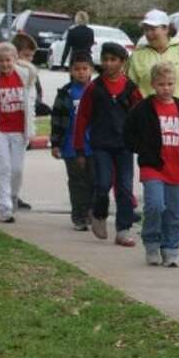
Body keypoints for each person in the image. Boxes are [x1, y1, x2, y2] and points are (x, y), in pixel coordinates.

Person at [124, 61, 179, 267]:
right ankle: (151, 243)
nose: (166, 88)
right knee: (155, 206)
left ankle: (171, 249)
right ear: (153, 84)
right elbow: (128, 131)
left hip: (176, 168)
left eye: (170, 84)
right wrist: (142, 148)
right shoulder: (144, 108)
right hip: (153, 166)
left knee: (175, 212)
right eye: (161, 84)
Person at [74, 42, 141, 246]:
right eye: (105, 59)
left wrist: (142, 141)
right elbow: (82, 118)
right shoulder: (94, 88)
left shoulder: (131, 88)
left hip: (124, 146)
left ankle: (123, 230)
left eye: (113, 60)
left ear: (122, 62)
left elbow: (140, 116)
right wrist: (79, 149)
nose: (108, 64)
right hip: (101, 145)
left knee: (125, 188)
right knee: (103, 183)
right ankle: (99, 215)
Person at [0, 42, 38, 223]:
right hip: (1, 131)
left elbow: (31, 104)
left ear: (15, 59)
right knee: (4, 168)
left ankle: (12, 196)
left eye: (8, 60)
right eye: (1, 60)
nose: (5, 64)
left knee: (17, 169)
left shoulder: (26, 76)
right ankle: (5, 207)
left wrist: (30, 128)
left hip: (19, 131)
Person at [50, 51, 96, 231]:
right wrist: (55, 144)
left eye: (85, 69)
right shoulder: (66, 93)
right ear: (71, 70)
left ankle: (92, 211)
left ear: (91, 70)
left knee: (95, 180)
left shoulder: (97, 90)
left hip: (94, 145)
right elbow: (57, 120)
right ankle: (79, 216)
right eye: (77, 69)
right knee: (77, 182)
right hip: (71, 146)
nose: (81, 72)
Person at [127, 9, 179, 110]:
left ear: (166, 29)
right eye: (146, 29)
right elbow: (128, 88)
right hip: (147, 115)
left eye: (153, 29)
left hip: (178, 114)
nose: (148, 33)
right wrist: (140, 110)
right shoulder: (137, 55)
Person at [13, 31, 51, 118]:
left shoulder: (32, 72)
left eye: (32, 56)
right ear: (14, 53)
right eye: (26, 55)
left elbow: (38, 92)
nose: (30, 59)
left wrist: (36, 103)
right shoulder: (7, 72)